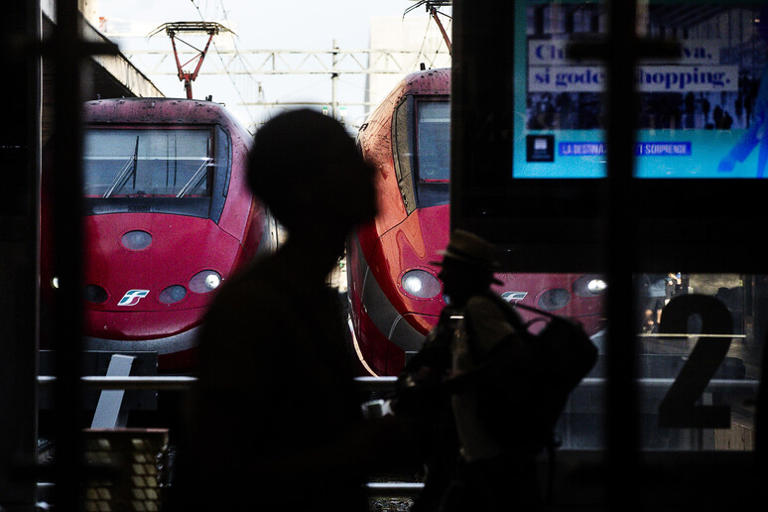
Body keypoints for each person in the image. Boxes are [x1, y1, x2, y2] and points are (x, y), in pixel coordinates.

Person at [169, 109, 414, 511]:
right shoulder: (257, 309)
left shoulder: (302, 296)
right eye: (346, 160)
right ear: (308, 190)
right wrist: (369, 447)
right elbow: (227, 472)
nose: (368, 167)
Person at [394, 229, 545, 512]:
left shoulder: (479, 308)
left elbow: (510, 357)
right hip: (474, 445)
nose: (442, 278)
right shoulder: (467, 311)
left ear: (468, 274)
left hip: (485, 447)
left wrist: (455, 384)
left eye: (449, 271)